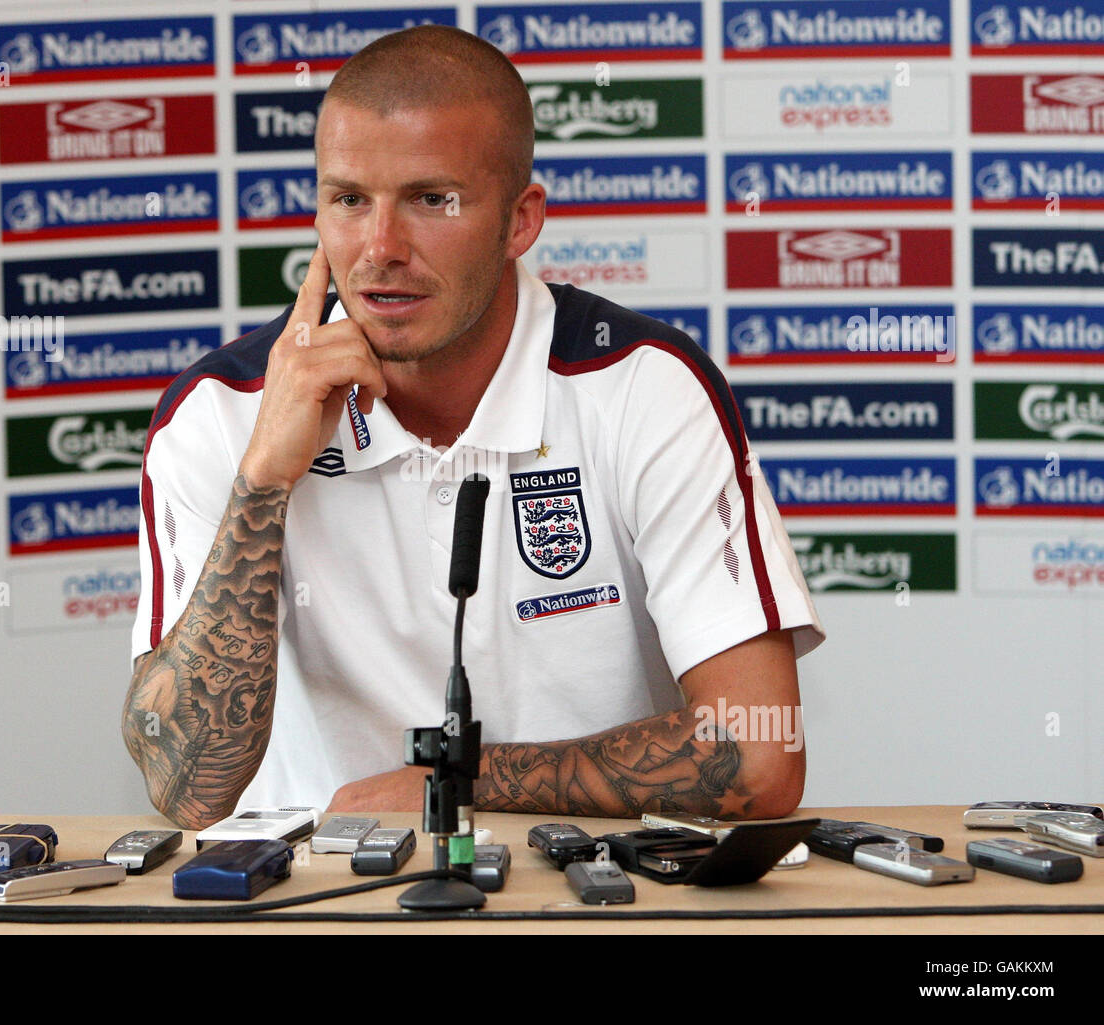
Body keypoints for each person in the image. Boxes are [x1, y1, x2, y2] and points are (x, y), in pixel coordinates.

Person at [123, 25, 824, 830]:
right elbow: (186, 788)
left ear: (522, 221)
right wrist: (261, 484)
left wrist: (453, 782)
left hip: (588, 908)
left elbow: (761, 755)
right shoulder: (221, 411)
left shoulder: (642, 387)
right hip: (326, 910)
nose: (380, 249)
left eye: (432, 200)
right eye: (348, 200)